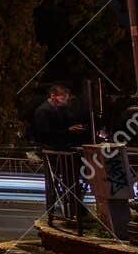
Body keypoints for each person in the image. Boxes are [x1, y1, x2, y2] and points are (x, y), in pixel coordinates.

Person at [30, 83, 92, 226]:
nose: (66, 101)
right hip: (54, 153)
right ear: (53, 96)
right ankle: (70, 209)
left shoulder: (59, 109)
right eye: (63, 98)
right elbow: (45, 134)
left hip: (63, 152)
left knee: (71, 180)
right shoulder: (43, 111)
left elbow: (67, 122)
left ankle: (74, 207)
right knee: (64, 182)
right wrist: (68, 131)